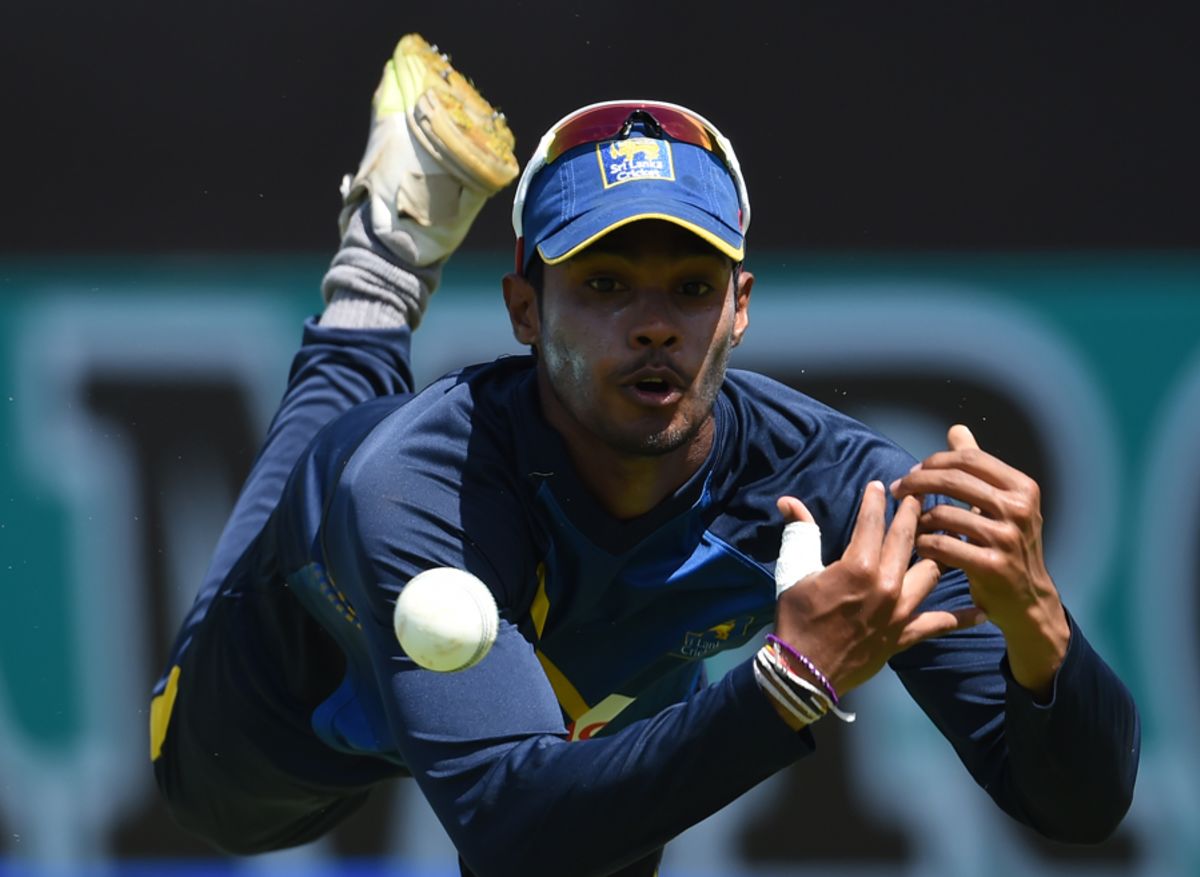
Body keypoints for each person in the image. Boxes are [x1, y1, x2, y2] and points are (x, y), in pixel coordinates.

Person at [150, 33, 1140, 877]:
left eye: (692, 286)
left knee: (603, 812)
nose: (656, 326)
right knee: (223, 783)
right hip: (310, 687)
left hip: (587, 716)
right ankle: (378, 271)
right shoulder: (415, 488)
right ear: (526, 310)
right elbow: (509, 833)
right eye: (608, 284)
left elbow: (1076, 808)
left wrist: (1039, 631)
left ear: (741, 307)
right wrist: (790, 680)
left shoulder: (839, 488)